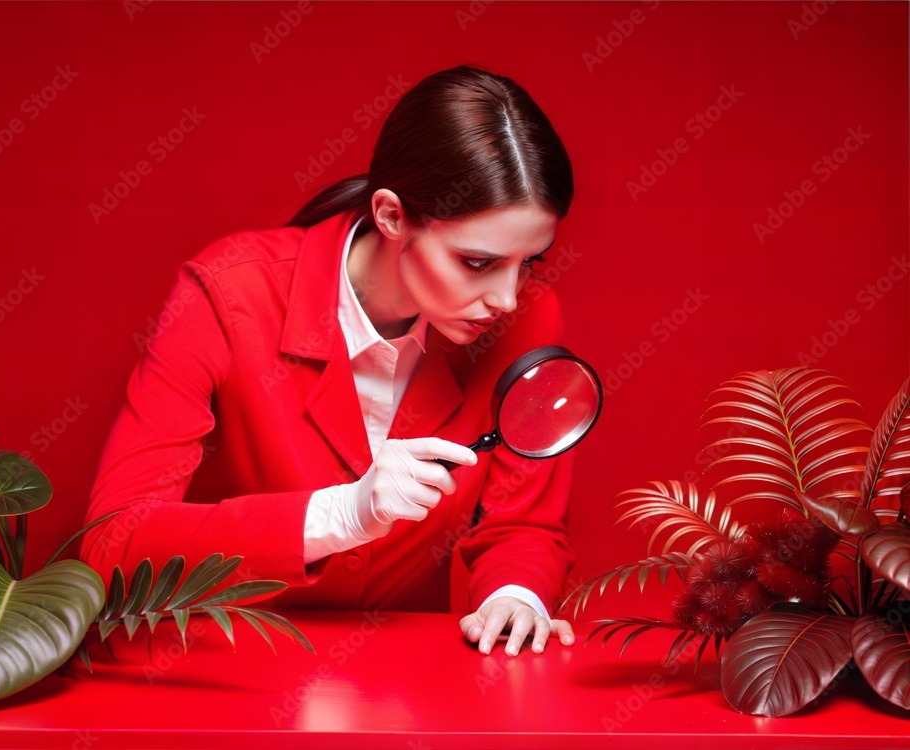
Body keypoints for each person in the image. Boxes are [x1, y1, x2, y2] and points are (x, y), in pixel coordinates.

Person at [80, 65, 578, 657]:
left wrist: (516, 596)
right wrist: (344, 512)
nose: (505, 297)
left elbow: (521, 524)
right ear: (391, 215)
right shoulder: (229, 293)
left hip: (408, 692)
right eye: (476, 262)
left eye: (530, 263)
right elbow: (111, 545)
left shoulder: (528, 318)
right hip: (224, 667)